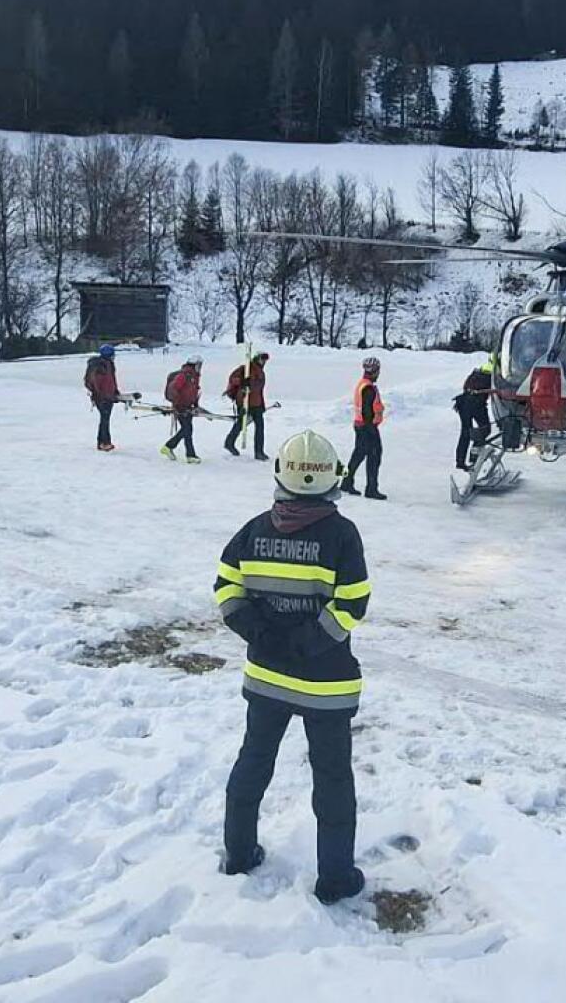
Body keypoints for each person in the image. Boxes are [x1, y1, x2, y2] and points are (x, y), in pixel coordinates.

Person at [216, 429, 370, 904]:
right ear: (333, 478)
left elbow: (226, 589)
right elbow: (352, 604)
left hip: (266, 680)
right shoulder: (342, 535)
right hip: (326, 685)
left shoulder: (253, 530)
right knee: (332, 779)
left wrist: (262, 635)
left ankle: (239, 853)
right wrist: (308, 643)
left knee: (253, 762)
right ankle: (336, 879)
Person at [341, 356, 386, 500]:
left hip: (360, 425)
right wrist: (371, 429)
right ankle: (371, 489)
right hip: (367, 427)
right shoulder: (368, 388)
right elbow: (367, 410)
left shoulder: (363, 384)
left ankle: (346, 482)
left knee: (358, 455)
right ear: (375, 371)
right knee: (374, 457)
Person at [82, 344, 140, 452]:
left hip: (109, 396)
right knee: (105, 419)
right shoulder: (100, 366)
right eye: (113, 354)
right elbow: (97, 383)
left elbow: (111, 381)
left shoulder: (108, 364)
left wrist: (115, 392)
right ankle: (104, 443)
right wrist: (103, 396)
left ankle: (103, 442)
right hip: (102, 398)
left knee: (105, 419)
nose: (114, 356)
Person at [223, 351, 271, 459]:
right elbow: (233, 379)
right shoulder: (246, 368)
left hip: (257, 403)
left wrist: (262, 404)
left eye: (265, 360)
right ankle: (229, 442)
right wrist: (243, 382)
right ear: (257, 358)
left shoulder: (261, 372)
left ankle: (259, 452)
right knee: (241, 424)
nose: (264, 362)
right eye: (262, 359)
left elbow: (259, 390)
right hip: (244, 401)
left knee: (260, 427)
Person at [455, 355, 495, 470]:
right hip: (476, 403)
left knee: (466, 432)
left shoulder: (480, 369)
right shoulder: (496, 373)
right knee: (485, 429)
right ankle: (474, 456)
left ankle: (461, 461)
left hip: (463, 401)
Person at [161, 355, 203, 464]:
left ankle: (169, 447)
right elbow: (174, 389)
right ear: (194, 365)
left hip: (188, 407)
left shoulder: (194, 376)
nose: (200, 367)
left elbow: (193, 392)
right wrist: (179, 405)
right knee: (187, 430)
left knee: (186, 429)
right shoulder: (184, 375)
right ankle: (190, 455)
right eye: (199, 365)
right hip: (181, 407)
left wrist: (195, 405)